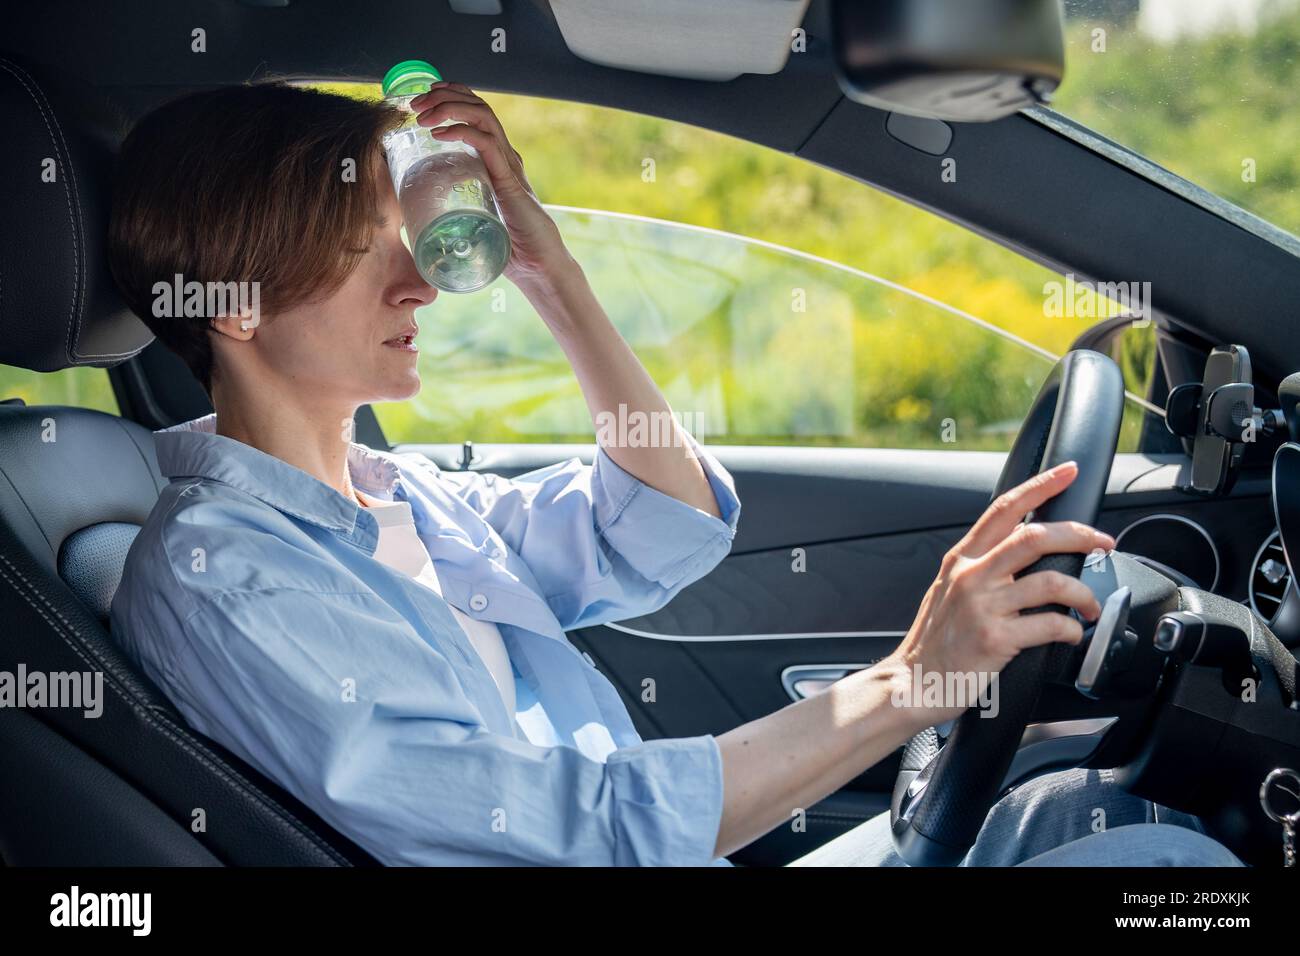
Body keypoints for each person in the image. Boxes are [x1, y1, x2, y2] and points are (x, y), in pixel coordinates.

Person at [106, 80, 1239, 867]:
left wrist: (547, 265)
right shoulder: (228, 575)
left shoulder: (393, 495)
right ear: (236, 305)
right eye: (365, 250)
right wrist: (913, 679)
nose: (418, 284)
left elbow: (656, 522)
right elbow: (572, 834)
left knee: (1088, 811)